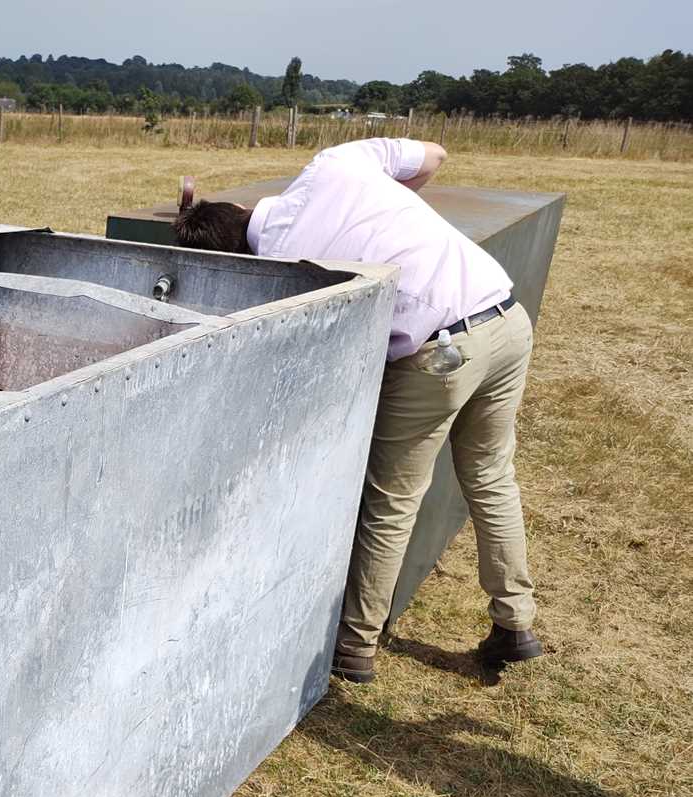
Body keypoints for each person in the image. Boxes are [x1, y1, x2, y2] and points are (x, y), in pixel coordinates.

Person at [172, 139, 542, 683]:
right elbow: (434, 156)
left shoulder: (283, 271)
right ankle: (516, 622)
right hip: (507, 319)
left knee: (392, 501)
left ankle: (354, 647)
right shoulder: (337, 163)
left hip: (436, 354)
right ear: (247, 209)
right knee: (491, 476)